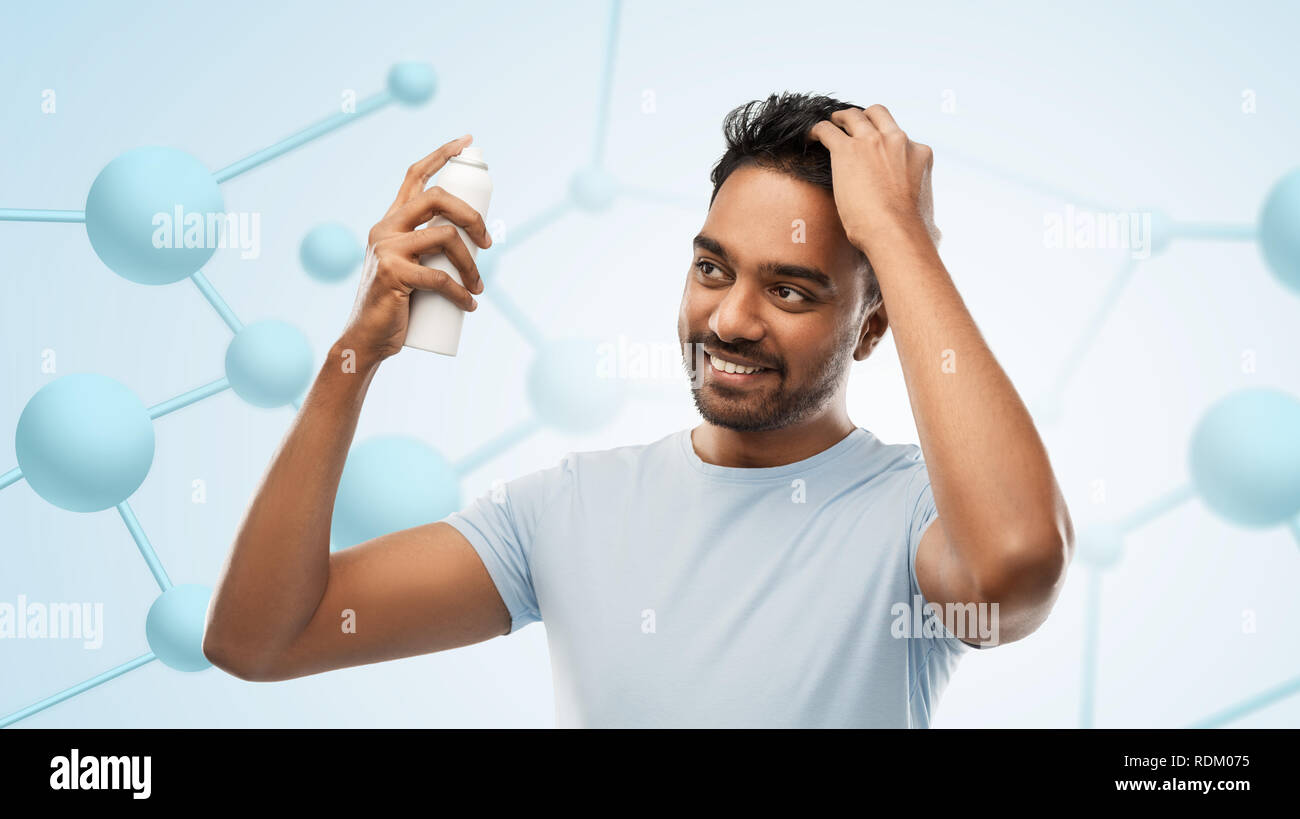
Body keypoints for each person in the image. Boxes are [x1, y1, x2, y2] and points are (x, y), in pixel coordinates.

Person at [203, 92, 1074, 728]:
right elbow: (262, 639)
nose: (731, 318)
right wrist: (353, 356)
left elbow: (1014, 569)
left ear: (872, 325)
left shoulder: (917, 517)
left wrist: (900, 236)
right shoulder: (567, 508)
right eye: (712, 268)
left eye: (792, 290)